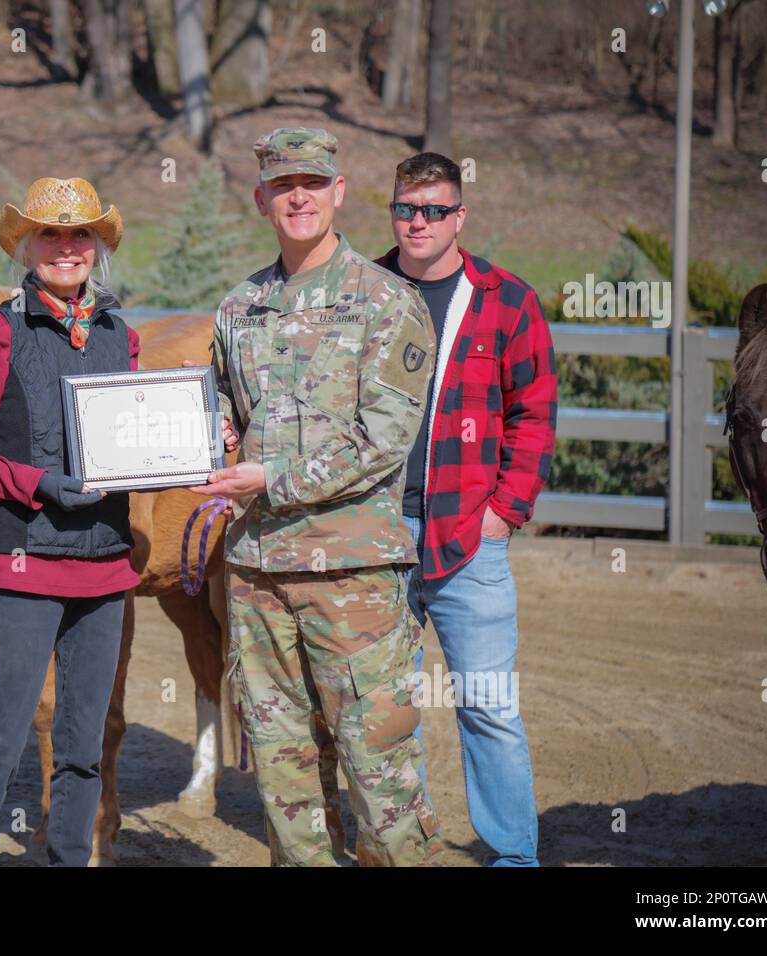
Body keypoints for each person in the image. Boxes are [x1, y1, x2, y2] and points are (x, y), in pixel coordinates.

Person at [190, 127, 443, 866]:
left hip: (353, 579)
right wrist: (207, 449)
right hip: (260, 577)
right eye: (281, 184)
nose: (296, 195)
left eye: (312, 182)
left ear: (337, 193)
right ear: (260, 197)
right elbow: (224, 418)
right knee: (286, 782)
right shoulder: (239, 308)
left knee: (382, 782)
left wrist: (271, 478)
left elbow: (383, 440)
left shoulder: (386, 303)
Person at [0, 177, 140, 867]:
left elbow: (132, 446)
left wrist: (197, 442)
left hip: (105, 569)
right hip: (22, 566)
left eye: (81, 235)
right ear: (27, 246)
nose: (67, 248)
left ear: (97, 247)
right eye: (52, 234)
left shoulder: (119, 337)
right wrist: (33, 482)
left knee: (81, 748)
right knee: (0, 741)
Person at [374, 152, 558, 867]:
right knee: (387, 712)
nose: (418, 223)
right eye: (406, 209)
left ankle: (513, 858)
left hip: (468, 539)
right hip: (376, 534)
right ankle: (404, 851)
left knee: (487, 708)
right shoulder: (365, 290)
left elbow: (533, 415)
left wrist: (503, 514)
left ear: (460, 217)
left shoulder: (507, 299)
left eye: (434, 211)